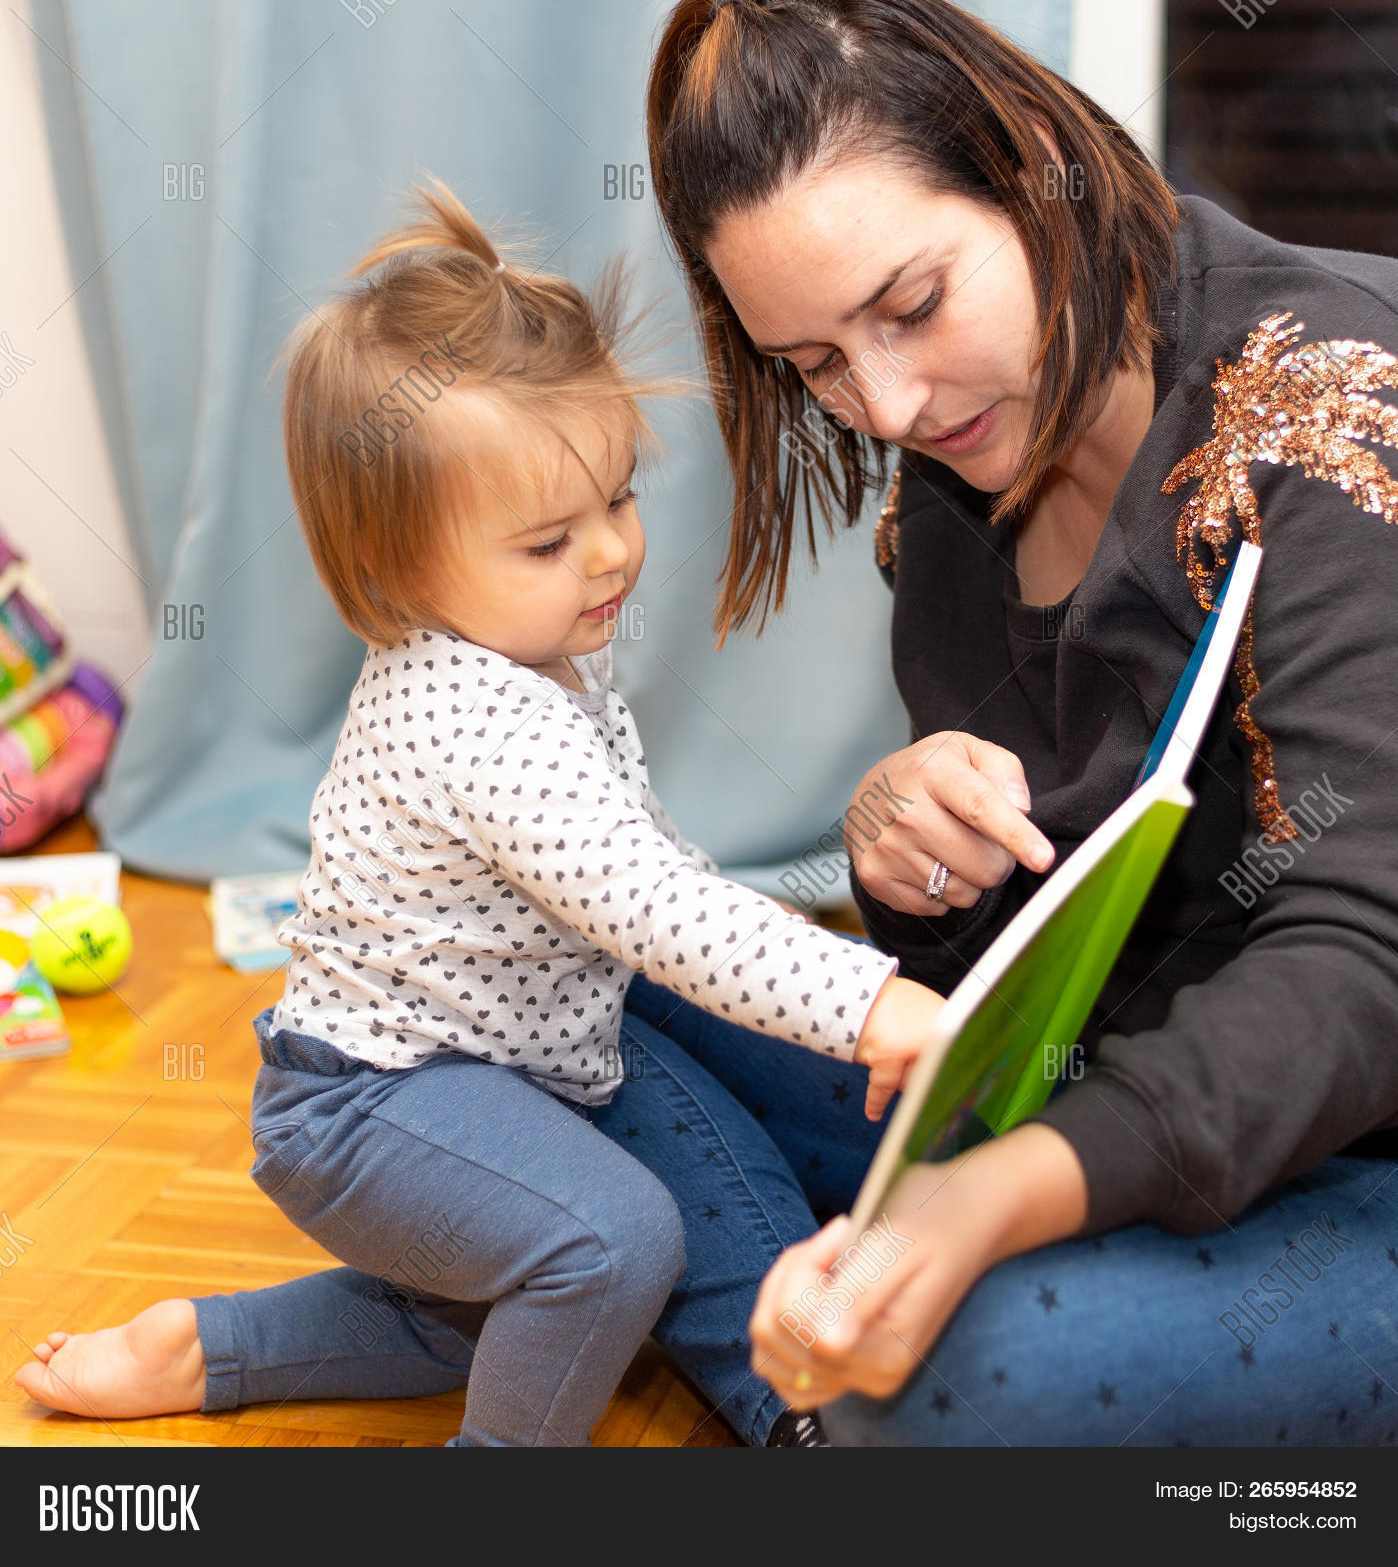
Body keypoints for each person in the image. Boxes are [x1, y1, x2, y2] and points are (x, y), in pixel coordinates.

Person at [13, 177, 946, 1448]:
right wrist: (867, 999)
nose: (613, 556)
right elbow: (659, 906)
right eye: (550, 540)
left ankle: (211, 1347)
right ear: (402, 573)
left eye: (619, 501)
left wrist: (835, 983)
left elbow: (650, 865)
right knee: (609, 1248)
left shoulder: (541, 652)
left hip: (510, 1056)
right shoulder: (474, 717)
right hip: (369, 1107)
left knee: (494, 1308)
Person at [639, 0, 1398, 1445]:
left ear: (1036, 166)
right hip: (1108, 1098)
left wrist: (985, 1199)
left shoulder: (1328, 408)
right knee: (579, 982)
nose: (892, 405)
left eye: (911, 306)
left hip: (1347, 1145)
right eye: (818, 368)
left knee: (980, 1372)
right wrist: (902, 860)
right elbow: (1037, 949)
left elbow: (1363, 962)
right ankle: (823, 1402)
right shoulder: (951, 465)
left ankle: (858, 1376)